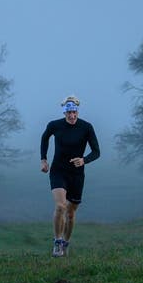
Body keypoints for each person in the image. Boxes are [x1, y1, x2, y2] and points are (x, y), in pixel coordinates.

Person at [40, 95, 100, 257]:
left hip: (77, 174)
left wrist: (84, 160)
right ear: (64, 113)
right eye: (69, 113)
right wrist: (44, 160)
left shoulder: (86, 127)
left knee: (71, 214)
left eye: (74, 112)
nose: (72, 116)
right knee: (60, 206)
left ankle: (66, 243)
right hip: (59, 170)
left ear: (77, 112)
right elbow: (44, 138)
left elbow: (96, 152)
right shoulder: (55, 125)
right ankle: (57, 242)